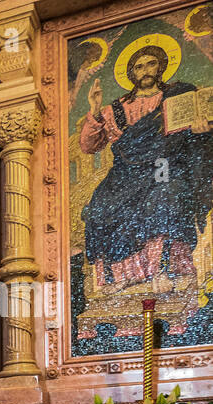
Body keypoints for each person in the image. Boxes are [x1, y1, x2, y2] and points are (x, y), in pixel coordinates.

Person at [79, 43, 213, 294]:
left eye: (151, 63)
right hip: (126, 173)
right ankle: (121, 275)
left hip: (165, 165)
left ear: (161, 66)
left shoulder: (180, 94)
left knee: (164, 197)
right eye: (139, 66)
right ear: (131, 73)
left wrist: (202, 133)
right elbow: (88, 146)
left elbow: (196, 133)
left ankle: (162, 269)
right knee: (100, 207)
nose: (145, 70)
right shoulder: (116, 108)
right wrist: (95, 111)